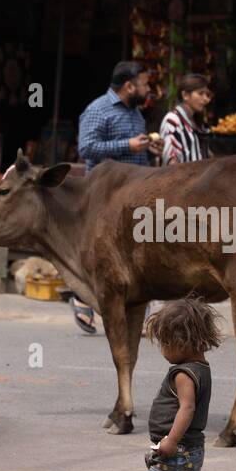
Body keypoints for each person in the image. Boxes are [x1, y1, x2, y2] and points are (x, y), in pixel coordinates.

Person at [107, 297, 219, 471]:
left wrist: (170, 441)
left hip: (176, 449)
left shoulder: (182, 374)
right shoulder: (201, 368)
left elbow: (187, 408)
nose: (163, 350)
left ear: (182, 341)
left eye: (165, 344)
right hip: (192, 449)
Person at [70, 61, 163, 333]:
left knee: (133, 253)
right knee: (102, 255)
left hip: (134, 194)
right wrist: (128, 144)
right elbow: (86, 147)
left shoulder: (135, 113)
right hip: (104, 195)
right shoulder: (98, 109)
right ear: (129, 86)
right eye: (144, 84)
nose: (148, 90)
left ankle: (136, 312)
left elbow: (135, 151)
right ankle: (81, 299)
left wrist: (149, 149)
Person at [159, 73, 212, 164]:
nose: (206, 99)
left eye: (207, 94)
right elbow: (171, 162)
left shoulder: (196, 120)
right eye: (200, 93)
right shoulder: (172, 120)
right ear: (185, 95)